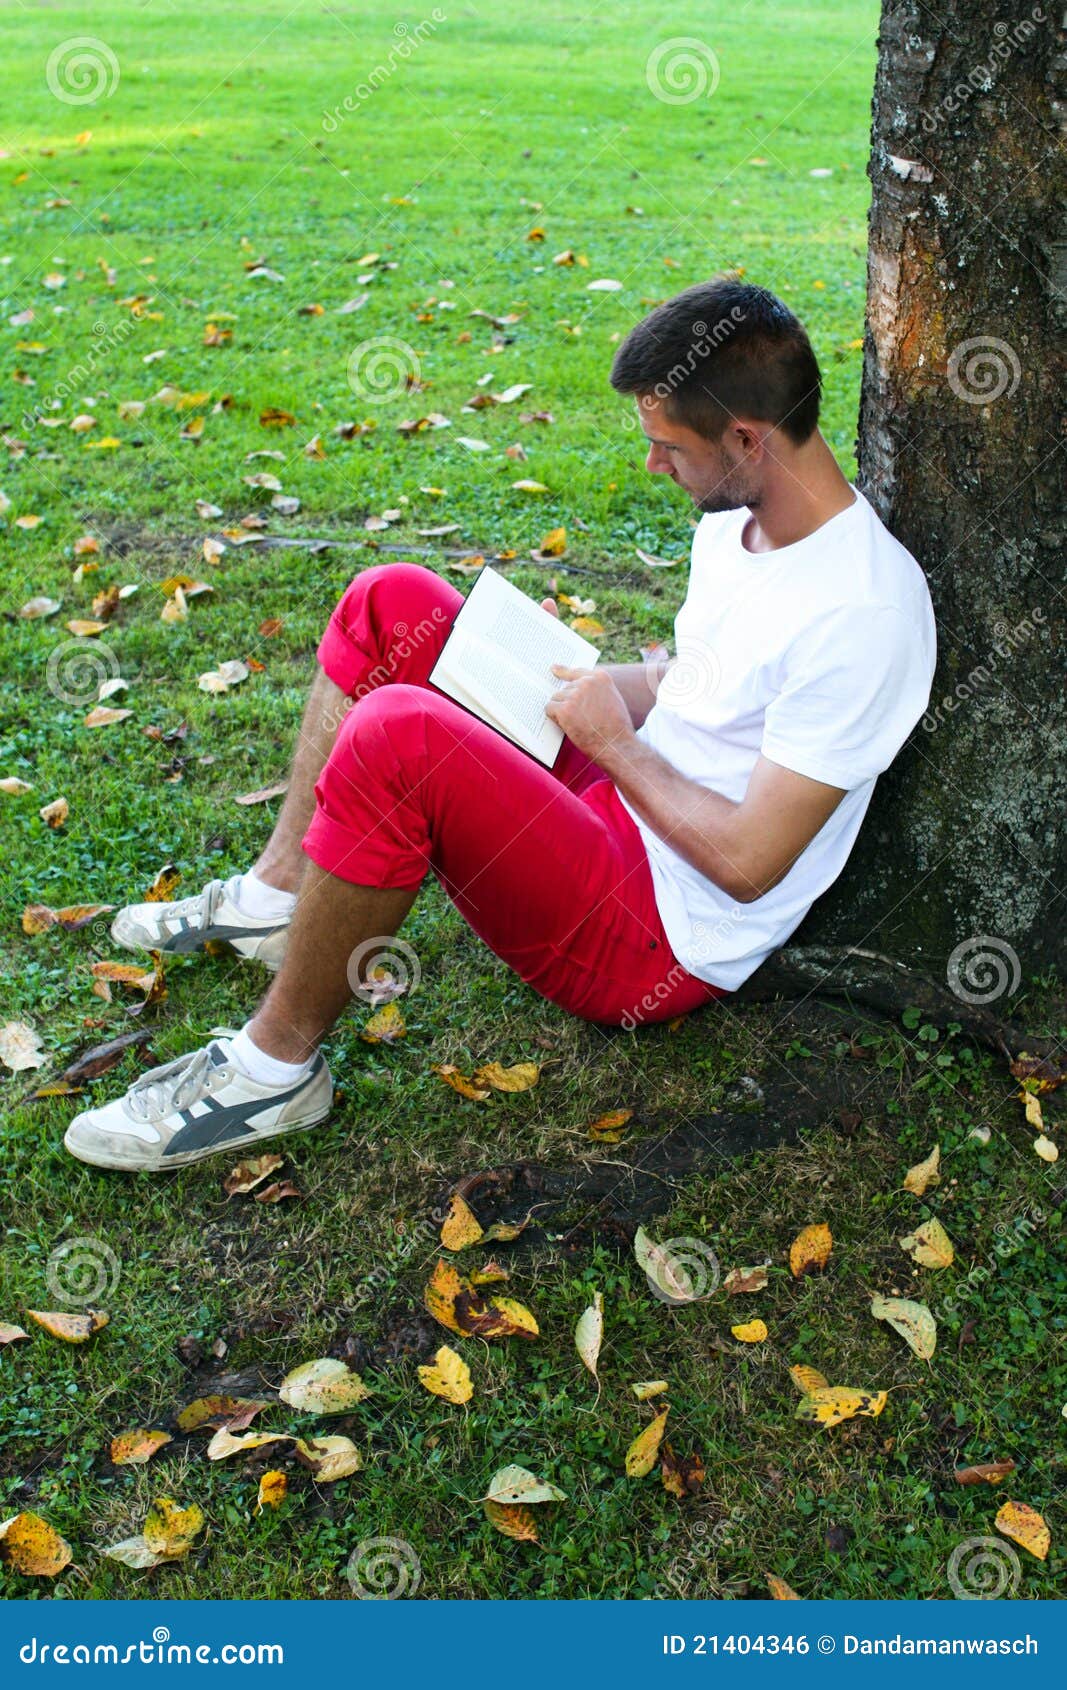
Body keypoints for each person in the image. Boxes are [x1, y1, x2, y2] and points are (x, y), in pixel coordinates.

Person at [64, 278, 936, 1172]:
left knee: (399, 735)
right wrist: (581, 681)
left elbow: (750, 865)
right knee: (389, 600)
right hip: (621, 797)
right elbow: (710, 684)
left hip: (655, 931)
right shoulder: (739, 516)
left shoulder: (861, 614)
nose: (652, 466)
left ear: (746, 439)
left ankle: (271, 1071)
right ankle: (275, 905)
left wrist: (610, 742)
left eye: (667, 447)